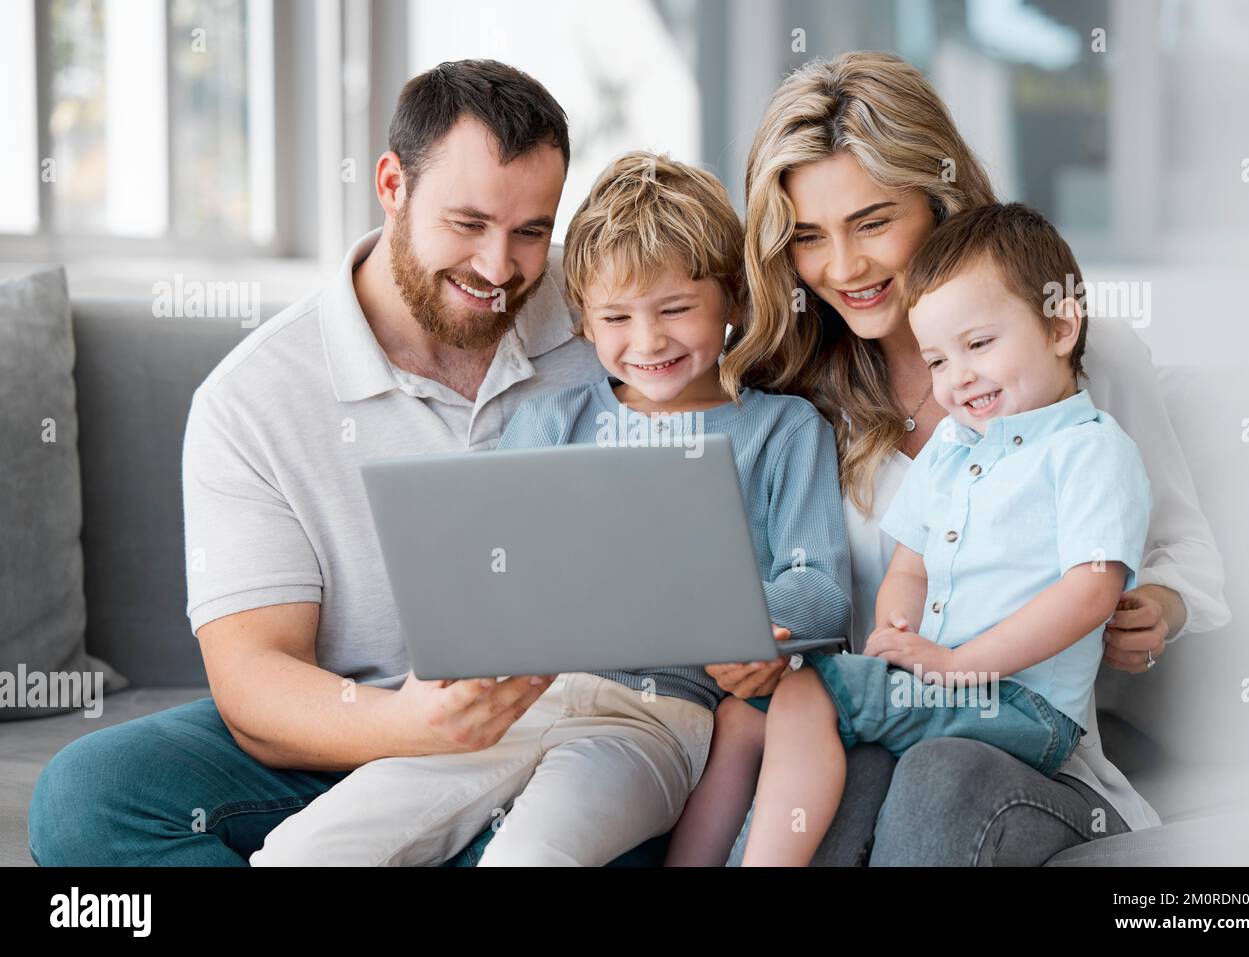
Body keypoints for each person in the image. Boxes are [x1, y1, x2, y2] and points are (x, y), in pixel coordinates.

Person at [27, 60, 611, 866]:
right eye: (468, 223)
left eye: (530, 231)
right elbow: (255, 683)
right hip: (351, 731)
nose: (498, 268)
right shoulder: (254, 396)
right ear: (391, 185)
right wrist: (411, 726)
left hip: (565, 744)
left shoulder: (612, 329)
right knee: (87, 799)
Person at [249, 151, 851, 866]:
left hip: (654, 720)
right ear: (584, 324)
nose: (649, 340)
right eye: (618, 316)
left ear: (734, 303)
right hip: (515, 701)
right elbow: (483, 565)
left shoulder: (785, 431)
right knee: (305, 850)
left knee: (530, 856)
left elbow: (821, 588)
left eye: (677, 309)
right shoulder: (550, 419)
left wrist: (755, 628)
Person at [712, 51, 1230, 866]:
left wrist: (1159, 605)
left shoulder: (1086, 360)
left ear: (940, 197)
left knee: (938, 771)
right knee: (853, 782)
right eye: (810, 237)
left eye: (873, 222)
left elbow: (1182, 549)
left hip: (1025, 754)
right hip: (872, 735)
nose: (843, 268)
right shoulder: (798, 405)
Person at [742, 202, 1153, 864]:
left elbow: (1089, 595)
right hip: (950, 690)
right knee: (845, 746)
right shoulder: (954, 448)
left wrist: (959, 664)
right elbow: (909, 565)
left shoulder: (1089, 450)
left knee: (806, 688)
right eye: (936, 359)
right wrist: (898, 634)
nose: (957, 377)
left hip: (1027, 707)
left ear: (1060, 325)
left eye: (979, 344)